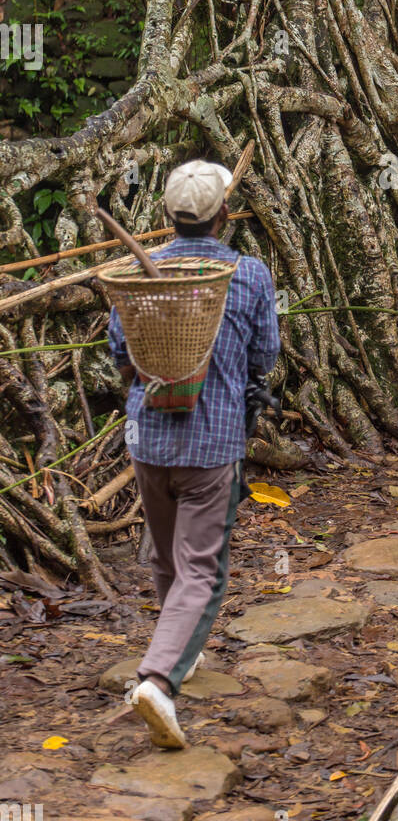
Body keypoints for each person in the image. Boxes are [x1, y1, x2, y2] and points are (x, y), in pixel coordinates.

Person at [107, 160, 280, 749]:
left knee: (165, 555)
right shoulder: (249, 275)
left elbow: (120, 357)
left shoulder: (134, 275)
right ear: (224, 214)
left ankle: (177, 650)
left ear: (166, 214)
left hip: (148, 440)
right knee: (201, 570)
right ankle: (158, 679)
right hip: (213, 443)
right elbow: (265, 357)